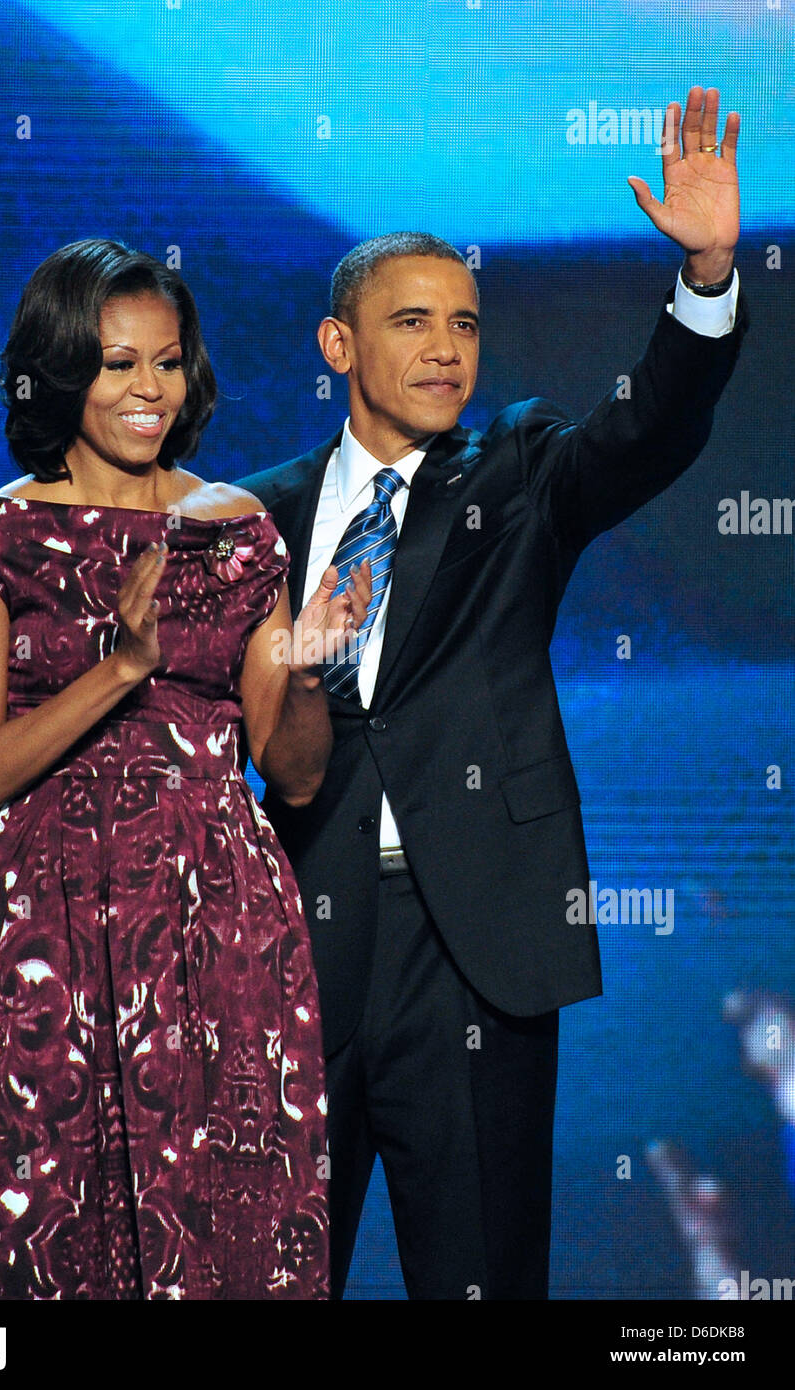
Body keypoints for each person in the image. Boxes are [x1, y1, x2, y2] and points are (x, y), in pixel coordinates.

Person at [237, 86, 748, 1299]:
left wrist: (709, 275)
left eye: (463, 323)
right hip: (290, 935)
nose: (445, 348)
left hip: (478, 941)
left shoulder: (515, 468)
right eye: (410, 322)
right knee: (261, 1270)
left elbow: (649, 432)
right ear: (338, 344)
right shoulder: (254, 516)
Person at [0, 239, 371, 1300]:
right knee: (40, 1230)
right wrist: (123, 667)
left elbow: (294, 778)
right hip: (36, 937)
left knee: (219, 1234)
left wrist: (305, 669)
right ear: (59, 370)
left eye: (168, 361)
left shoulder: (240, 534)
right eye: (116, 362)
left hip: (217, 924)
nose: (149, 389)